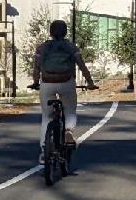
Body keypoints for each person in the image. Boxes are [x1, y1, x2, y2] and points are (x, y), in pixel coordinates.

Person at [31, 20, 97, 161]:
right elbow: (82, 66)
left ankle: (44, 151)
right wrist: (90, 83)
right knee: (70, 111)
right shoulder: (71, 47)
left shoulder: (42, 48)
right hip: (66, 82)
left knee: (47, 117)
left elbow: (36, 68)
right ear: (66, 32)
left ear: (50, 32)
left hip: (47, 83)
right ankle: (68, 131)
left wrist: (36, 82)